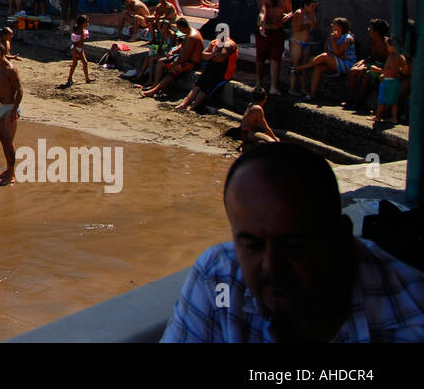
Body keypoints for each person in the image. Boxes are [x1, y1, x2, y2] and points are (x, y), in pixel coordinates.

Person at [162, 143, 424, 342]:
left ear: (342, 237)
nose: (272, 265)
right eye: (252, 245)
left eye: (294, 244)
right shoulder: (219, 278)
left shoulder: (411, 319)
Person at [174, 28, 237, 112]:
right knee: (197, 85)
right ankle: (185, 103)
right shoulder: (214, 42)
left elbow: (221, 58)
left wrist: (211, 55)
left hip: (222, 73)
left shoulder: (229, 44)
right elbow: (203, 55)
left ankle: (192, 106)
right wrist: (214, 54)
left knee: (204, 88)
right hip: (211, 68)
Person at [294, 17, 357, 102]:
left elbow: (339, 53)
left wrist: (334, 41)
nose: (332, 26)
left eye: (334, 24)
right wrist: (333, 51)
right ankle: (312, 94)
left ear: (340, 26)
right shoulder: (331, 36)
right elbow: (327, 50)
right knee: (318, 68)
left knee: (324, 56)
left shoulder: (347, 38)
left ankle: (300, 68)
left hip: (347, 64)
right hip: (335, 61)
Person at [0, 42, 22, 186]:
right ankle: (8, 169)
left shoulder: (10, 69)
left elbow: (20, 90)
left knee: (8, 141)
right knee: (2, 140)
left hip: (12, 108)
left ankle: (11, 175)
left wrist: (14, 111)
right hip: (2, 106)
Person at [142, 17, 204, 97]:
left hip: (191, 63)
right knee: (161, 61)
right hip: (183, 58)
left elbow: (185, 58)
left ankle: (153, 91)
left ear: (182, 27)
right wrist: (174, 51)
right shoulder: (189, 31)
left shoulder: (192, 37)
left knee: (171, 72)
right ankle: (155, 84)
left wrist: (174, 63)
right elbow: (183, 46)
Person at [255, 0, 293, 94]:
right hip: (265, 29)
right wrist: (261, 25)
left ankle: (273, 87)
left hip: (278, 30)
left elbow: (290, 11)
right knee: (261, 57)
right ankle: (258, 83)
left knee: (275, 58)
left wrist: (288, 15)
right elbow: (262, 12)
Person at [345, 19, 389, 112]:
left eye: (371, 29)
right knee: (353, 71)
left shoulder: (386, 44)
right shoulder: (373, 41)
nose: (369, 30)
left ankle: (359, 102)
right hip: (373, 64)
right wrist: (363, 62)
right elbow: (372, 57)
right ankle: (350, 99)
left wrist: (378, 69)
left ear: (376, 32)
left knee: (366, 77)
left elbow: (388, 62)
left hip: (382, 68)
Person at [286, 0, 318, 94]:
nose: (313, 8)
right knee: (295, 65)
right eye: (311, 6)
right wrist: (307, 24)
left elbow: (315, 27)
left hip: (306, 42)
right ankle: (292, 88)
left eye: (314, 6)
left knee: (304, 66)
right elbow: (297, 28)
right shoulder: (299, 13)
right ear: (306, 5)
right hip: (296, 42)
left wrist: (310, 23)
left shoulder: (312, 14)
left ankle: (303, 88)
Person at [373, 35, 406, 126]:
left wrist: (378, 70)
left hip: (388, 82)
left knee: (382, 100)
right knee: (394, 102)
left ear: (393, 46)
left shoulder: (392, 57)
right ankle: (394, 118)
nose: (386, 48)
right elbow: (403, 69)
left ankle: (378, 116)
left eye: (387, 46)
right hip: (396, 81)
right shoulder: (401, 57)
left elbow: (390, 70)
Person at [65, 14, 92, 86]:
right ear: (82, 23)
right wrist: (77, 52)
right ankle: (69, 78)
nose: (87, 24)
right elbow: (74, 42)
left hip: (79, 49)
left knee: (85, 63)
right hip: (76, 49)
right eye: (86, 22)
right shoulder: (79, 30)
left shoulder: (81, 30)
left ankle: (87, 78)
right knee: (75, 63)